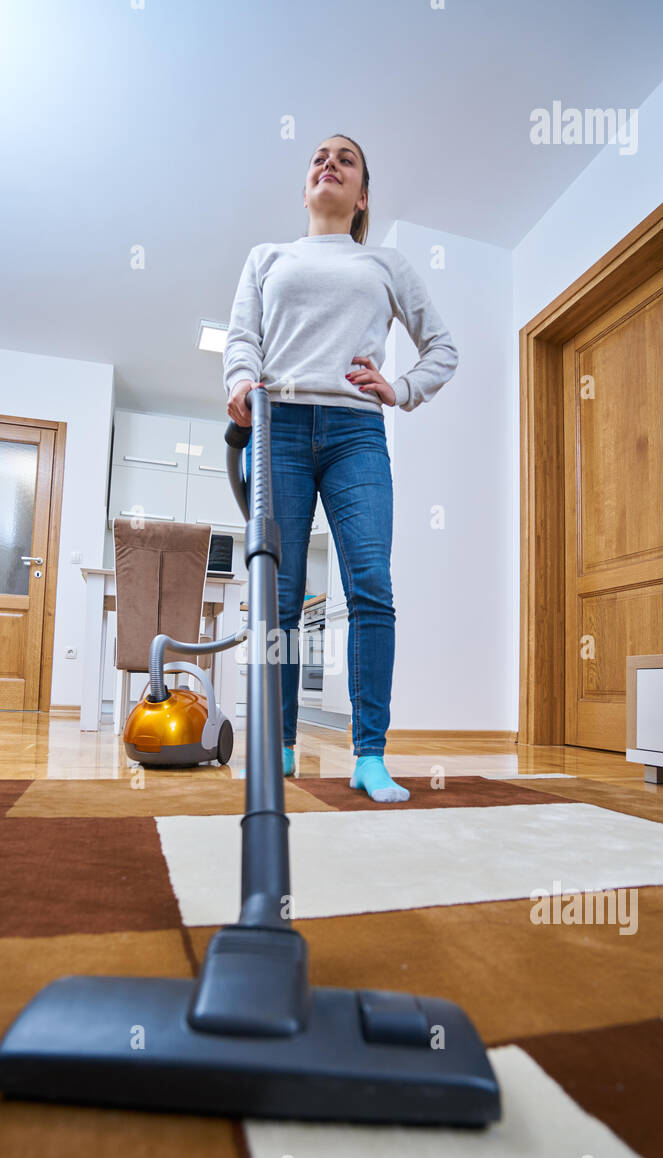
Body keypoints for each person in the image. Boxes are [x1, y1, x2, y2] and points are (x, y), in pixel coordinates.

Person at [223, 133, 458, 802]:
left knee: (370, 587)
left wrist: (401, 388)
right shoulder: (267, 257)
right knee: (283, 595)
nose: (328, 163)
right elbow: (243, 338)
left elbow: (440, 348)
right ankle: (283, 745)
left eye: (344, 159)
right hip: (281, 426)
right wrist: (241, 384)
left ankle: (369, 754)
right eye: (318, 158)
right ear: (306, 189)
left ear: (360, 198)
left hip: (356, 430)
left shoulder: (384, 264)